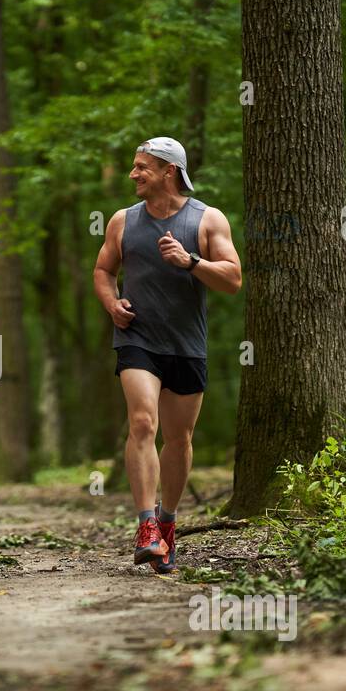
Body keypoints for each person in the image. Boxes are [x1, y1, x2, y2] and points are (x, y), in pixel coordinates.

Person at [92, 137, 242, 573]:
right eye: (134, 167)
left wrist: (190, 261)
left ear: (168, 172)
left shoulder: (207, 219)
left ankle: (168, 524)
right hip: (138, 338)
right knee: (142, 422)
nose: (133, 174)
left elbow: (233, 279)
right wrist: (112, 303)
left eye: (142, 167)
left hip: (186, 345)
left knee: (179, 439)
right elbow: (103, 269)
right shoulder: (123, 221)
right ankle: (145, 527)